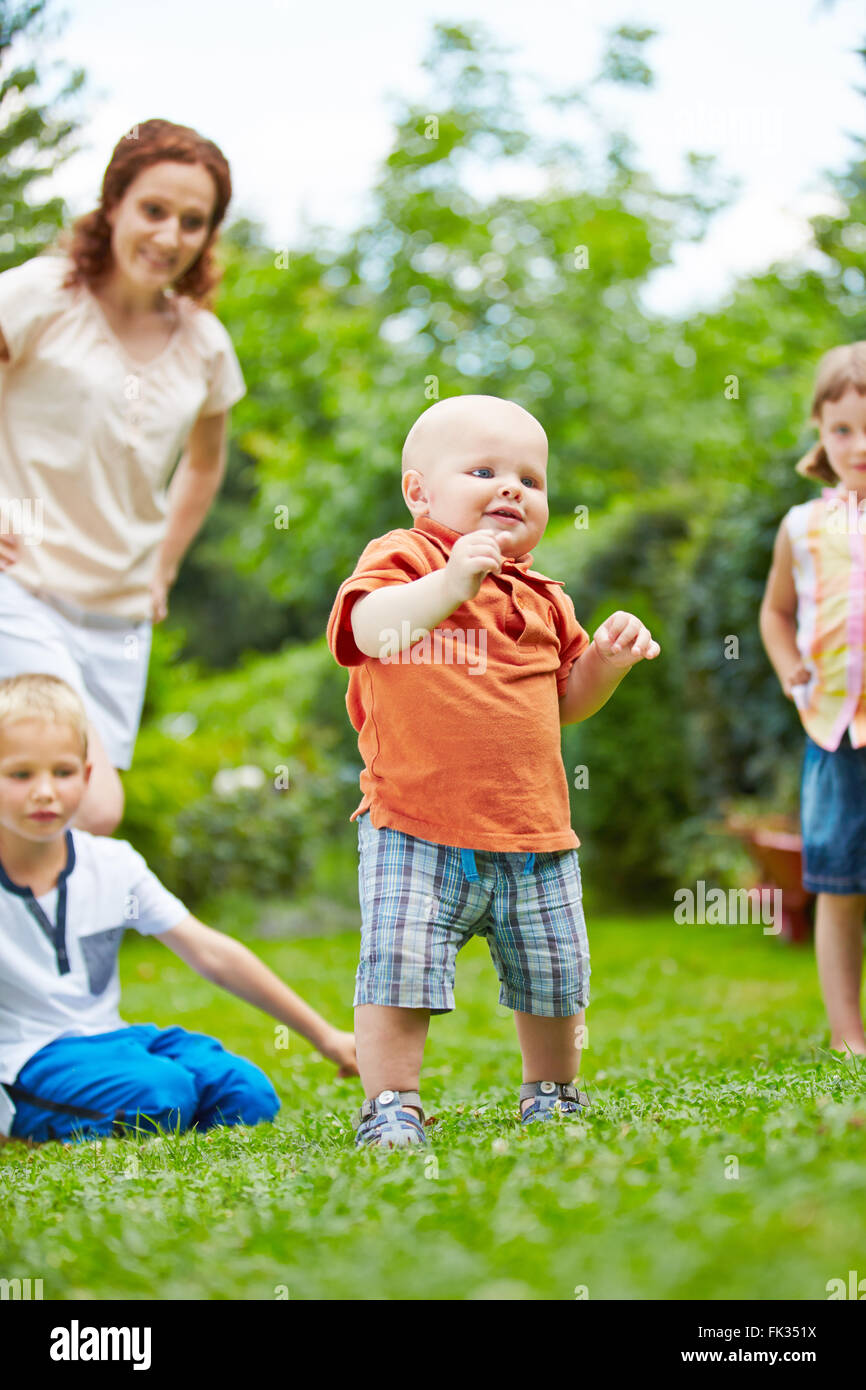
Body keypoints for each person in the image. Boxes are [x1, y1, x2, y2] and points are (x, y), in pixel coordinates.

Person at [326, 394, 660, 1147]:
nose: (512, 489)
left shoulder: (546, 597)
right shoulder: (405, 557)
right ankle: (392, 1104)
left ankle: (551, 1091)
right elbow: (368, 632)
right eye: (483, 471)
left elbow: (567, 701)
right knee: (397, 970)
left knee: (554, 977)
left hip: (535, 829)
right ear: (420, 492)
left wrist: (605, 662)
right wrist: (449, 583)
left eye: (530, 480)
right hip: (414, 823)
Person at [0, 118, 246, 836]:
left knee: (68, 827)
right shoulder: (41, 297)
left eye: (193, 221)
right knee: (86, 802)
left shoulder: (204, 343)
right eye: (154, 210)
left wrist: (164, 566)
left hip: (119, 615)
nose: (170, 235)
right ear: (113, 205)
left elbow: (205, 462)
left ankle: (45, 952)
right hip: (22, 584)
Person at [0, 673, 358, 1145]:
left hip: (112, 1040)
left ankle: (142, 1106)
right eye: (21, 774)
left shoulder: (114, 864)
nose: (44, 791)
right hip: (25, 1060)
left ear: (87, 777)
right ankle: (32, 1123)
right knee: (160, 1097)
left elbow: (211, 953)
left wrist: (326, 1038)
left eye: (62, 772)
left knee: (247, 1096)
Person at [760, 342, 866, 1057]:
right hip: (834, 729)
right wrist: (789, 665)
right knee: (839, 880)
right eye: (843, 430)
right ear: (820, 434)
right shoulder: (801, 526)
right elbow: (774, 612)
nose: (859, 445)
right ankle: (847, 1034)